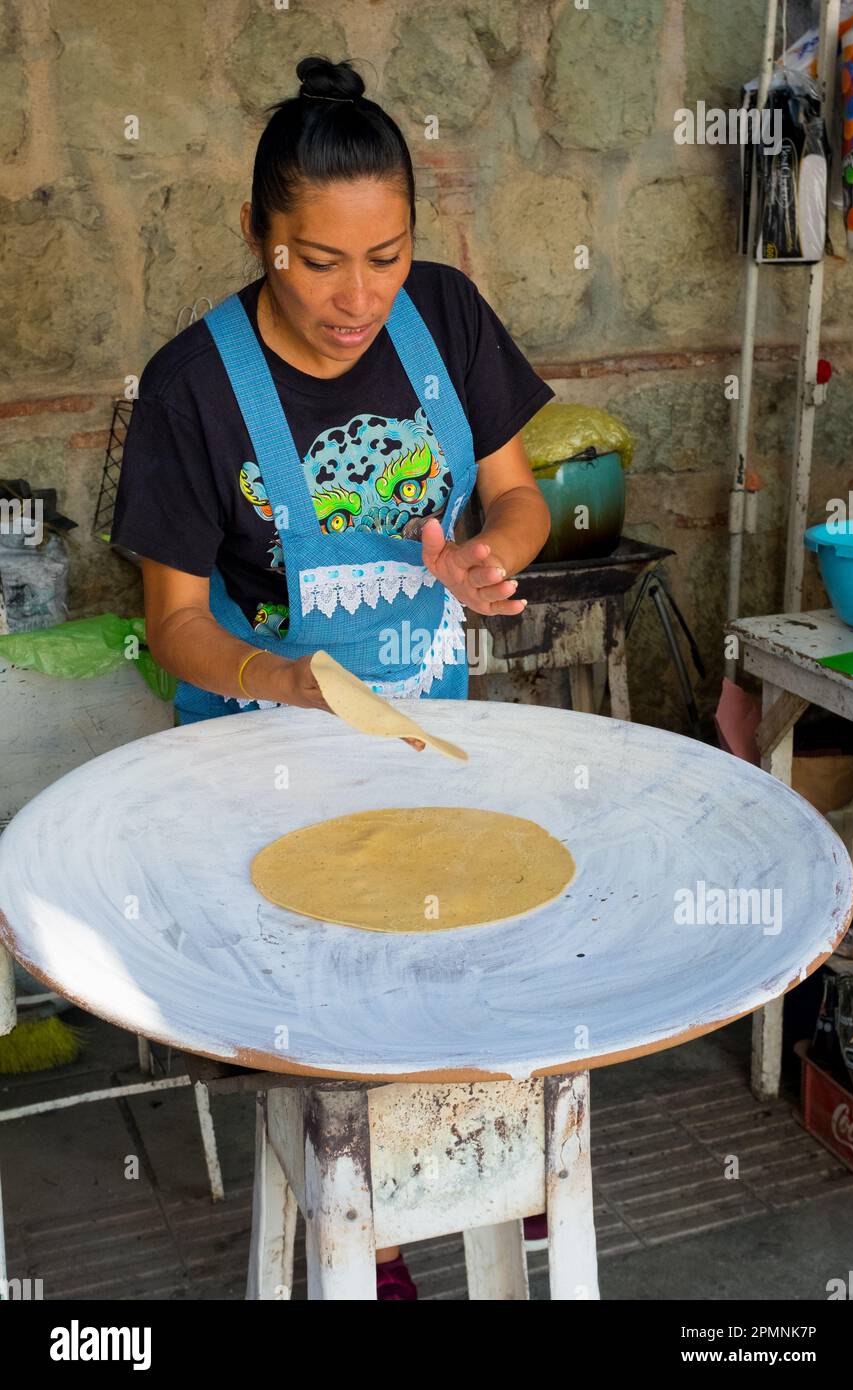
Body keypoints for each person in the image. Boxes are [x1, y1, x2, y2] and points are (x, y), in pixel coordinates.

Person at [112, 53, 555, 1299]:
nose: (356, 297)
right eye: (317, 261)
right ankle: (367, 1240)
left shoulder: (449, 318)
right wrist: (287, 678)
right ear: (257, 234)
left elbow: (515, 499)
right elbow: (175, 626)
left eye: (387, 255)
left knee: (454, 972)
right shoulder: (193, 389)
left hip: (429, 731)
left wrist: (485, 558)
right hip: (261, 757)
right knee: (330, 1016)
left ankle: (461, 1184)